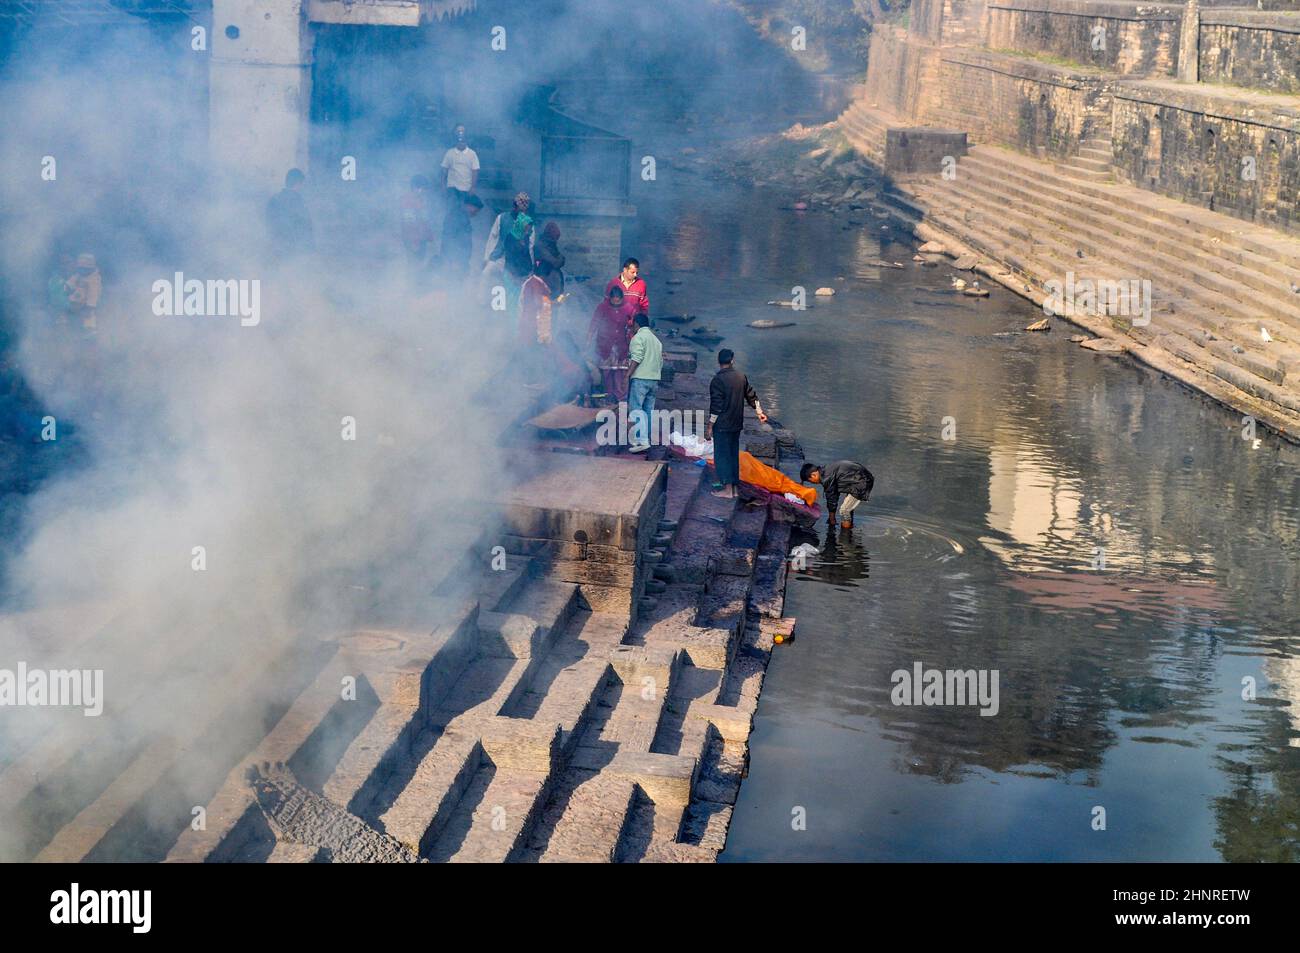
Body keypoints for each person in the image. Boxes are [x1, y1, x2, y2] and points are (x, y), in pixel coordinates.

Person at [704, 348, 767, 498]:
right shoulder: (741, 377)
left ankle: (727, 490)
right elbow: (752, 396)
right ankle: (735, 489)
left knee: (722, 455)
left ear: (719, 362)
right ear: (732, 360)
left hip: (722, 425)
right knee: (733, 454)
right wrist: (759, 412)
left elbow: (716, 406)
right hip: (736, 424)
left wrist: (710, 426)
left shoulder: (717, 380)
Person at [587, 286, 635, 401]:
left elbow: (633, 325)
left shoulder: (629, 308)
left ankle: (620, 399)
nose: (616, 302)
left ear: (622, 299)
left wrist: (632, 338)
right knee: (606, 372)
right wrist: (588, 339)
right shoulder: (602, 307)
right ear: (610, 298)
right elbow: (594, 323)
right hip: (605, 345)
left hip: (622, 346)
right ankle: (608, 396)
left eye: (618, 299)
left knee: (620, 373)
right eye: (614, 299)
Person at [625, 313, 663, 453]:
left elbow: (637, 358)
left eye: (633, 324)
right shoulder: (656, 341)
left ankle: (642, 441)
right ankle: (644, 440)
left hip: (641, 379)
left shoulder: (638, 338)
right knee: (647, 411)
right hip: (654, 380)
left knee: (636, 409)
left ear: (636, 324)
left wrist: (627, 375)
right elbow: (660, 362)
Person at [801, 460, 875, 530]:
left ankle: (845, 537)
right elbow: (834, 493)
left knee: (844, 510)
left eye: (811, 481)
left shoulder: (826, 477)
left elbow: (832, 498)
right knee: (848, 507)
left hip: (862, 482)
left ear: (813, 475)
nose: (813, 483)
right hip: (858, 479)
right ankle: (849, 529)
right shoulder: (825, 471)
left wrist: (832, 518)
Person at [266, 168, 314, 258]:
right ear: (298, 183)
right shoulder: (298, 201)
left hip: (276, 245)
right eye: (302, 184)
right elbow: (306, 225)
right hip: (293, 248)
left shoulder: (274, 199)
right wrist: (310, 247)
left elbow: (268, 221)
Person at [484, 192, 533, 271]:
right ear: (514, 206)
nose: (520, 211)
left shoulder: (528, 223)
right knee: (485, 275)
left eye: (523, 209)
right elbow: (492, 239)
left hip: (517, 263)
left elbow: (530, 245)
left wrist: (531, 266)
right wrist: (487, 259)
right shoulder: (501, 218)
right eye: (518, 207)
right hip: (499, 258)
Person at [441, 192, 483, 279]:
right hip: (454, 262)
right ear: (469, 205)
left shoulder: (463, 217)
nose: (476, 213)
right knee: (453, 283)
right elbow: (448, 239)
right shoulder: (455, 216)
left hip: (460, 261)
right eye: (476, 210)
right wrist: (453, 261)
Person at [500, 213, 534, 313]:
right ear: (521, 226)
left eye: (529, 229)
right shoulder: (510, 238)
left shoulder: (525, 238)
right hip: (512, 276)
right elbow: (510, 259)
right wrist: (515, 276)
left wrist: (529, 271)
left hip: (523, 277)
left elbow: (527, 255)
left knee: (521, 304)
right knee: (512, 303)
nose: (528, 231)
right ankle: (510, 326)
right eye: (526, 228)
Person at [399, 175, 435, 267]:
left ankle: (417, 280)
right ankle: (412, 281)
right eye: (423, 188)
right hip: (413, 238)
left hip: (421, 237)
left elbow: (425, 220)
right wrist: (414, 241)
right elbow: (408, 222)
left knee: (419, 263)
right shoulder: (407, 200)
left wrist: (428, 236)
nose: (425, 191)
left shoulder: (421, 200)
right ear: (415, 187)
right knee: (413, 264)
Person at [440, 123, 480, 203]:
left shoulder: (472, 154)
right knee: (451, 211)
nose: (460, 133)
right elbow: (444, 171)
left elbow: (475, 172)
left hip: (466, 190)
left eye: (462, 131)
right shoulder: (449, 153)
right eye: (458, 131)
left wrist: (473, 188)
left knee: (463, 212)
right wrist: (443, 186)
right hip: (451, 189)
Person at [68, 252, 102, 331]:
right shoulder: (79, 275)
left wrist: (90, 306)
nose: (82, 271)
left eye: (84, 269)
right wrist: (68, 286)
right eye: (80, 268)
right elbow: (73, 280)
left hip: (87, 303)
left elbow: (93, 294)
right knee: (75, 316)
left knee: (89, 316)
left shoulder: (94, 280)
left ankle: (89, 329)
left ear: (90, 268)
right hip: (78, 298)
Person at [535, 222, 565, 298]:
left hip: (553, 281)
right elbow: (556, 262)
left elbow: (561, 260)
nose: (556, 240)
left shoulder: (552, 245)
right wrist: (560, 258)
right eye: (555, 237)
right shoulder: (541, 246)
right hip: (546, 279)